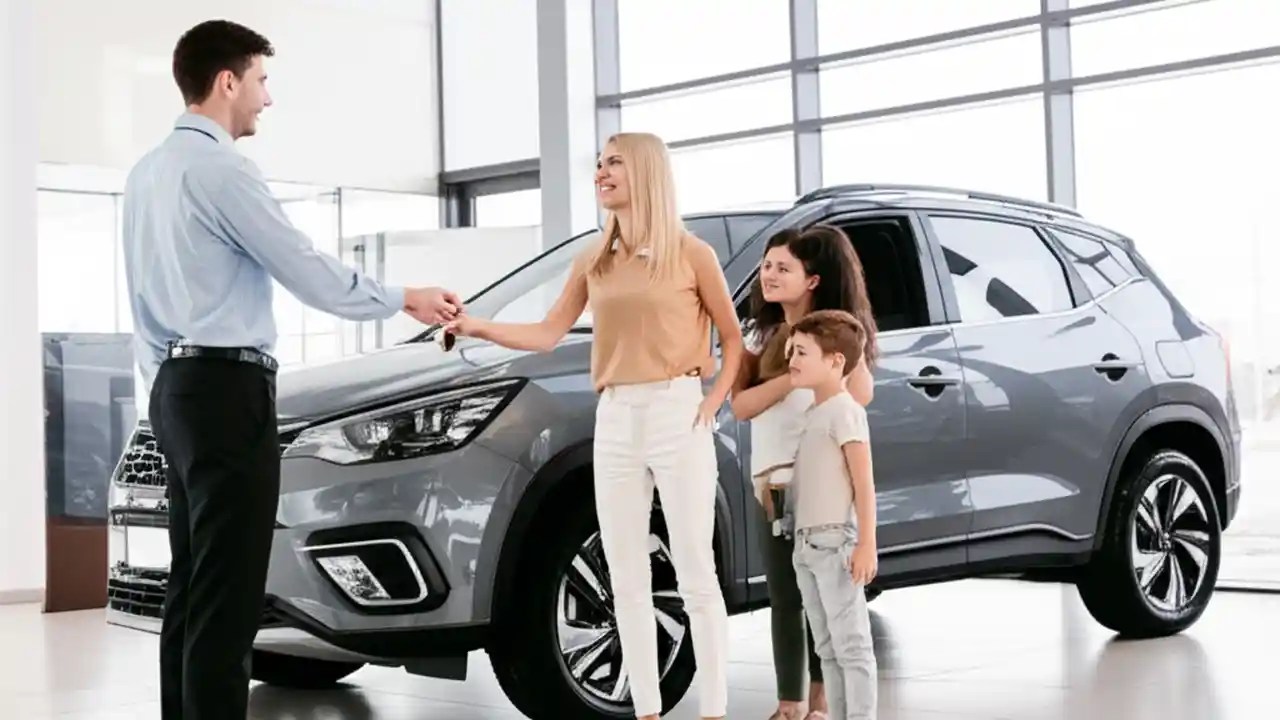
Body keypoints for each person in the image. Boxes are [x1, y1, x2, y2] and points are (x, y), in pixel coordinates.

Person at [121, 20, 461, 720]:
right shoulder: (221, 169)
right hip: (225, 391)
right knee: (229, 593)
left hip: (174, 390)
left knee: (192, 586)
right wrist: (406, 299)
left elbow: (142, 299)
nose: (266, 99)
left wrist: (165, 389)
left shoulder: (147, 173)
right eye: (261, 81)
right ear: (227, 82)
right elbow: (303, 267)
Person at [443, 131, 742, 720]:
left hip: (677, 408)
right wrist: (476, 326)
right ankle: (648, 711)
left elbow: (732, 339)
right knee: (624, 572)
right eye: (600, 165)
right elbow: (546, 333)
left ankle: (714, 710)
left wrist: (711, 406)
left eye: (614, 164)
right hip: (617, 417)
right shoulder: (595, 260)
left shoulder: (691, 254)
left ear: (646, 174)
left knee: (693, 568)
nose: (601, 173)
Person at [729, 225, 877, 720]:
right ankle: (790, 703)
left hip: (817, 488)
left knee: (824, 597)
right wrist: (788, 375)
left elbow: (861, 394)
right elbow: (742, 406)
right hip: (769, 483)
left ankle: (819, 704)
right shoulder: (763, 337)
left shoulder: (830, 337)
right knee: (784, 595)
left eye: (782, 268)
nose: (769, 275)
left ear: (812, 280)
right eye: (766, 266)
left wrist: (822, 351)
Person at [786, 309, 879, 720]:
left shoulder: (845, 410)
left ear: (835, 361)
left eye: (802, 351)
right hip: (806, 546)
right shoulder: (814, 414)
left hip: (833, 542)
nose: (792, 359)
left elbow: (864, 483)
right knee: (826, 647)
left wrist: (866, 544)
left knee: (851, 646)